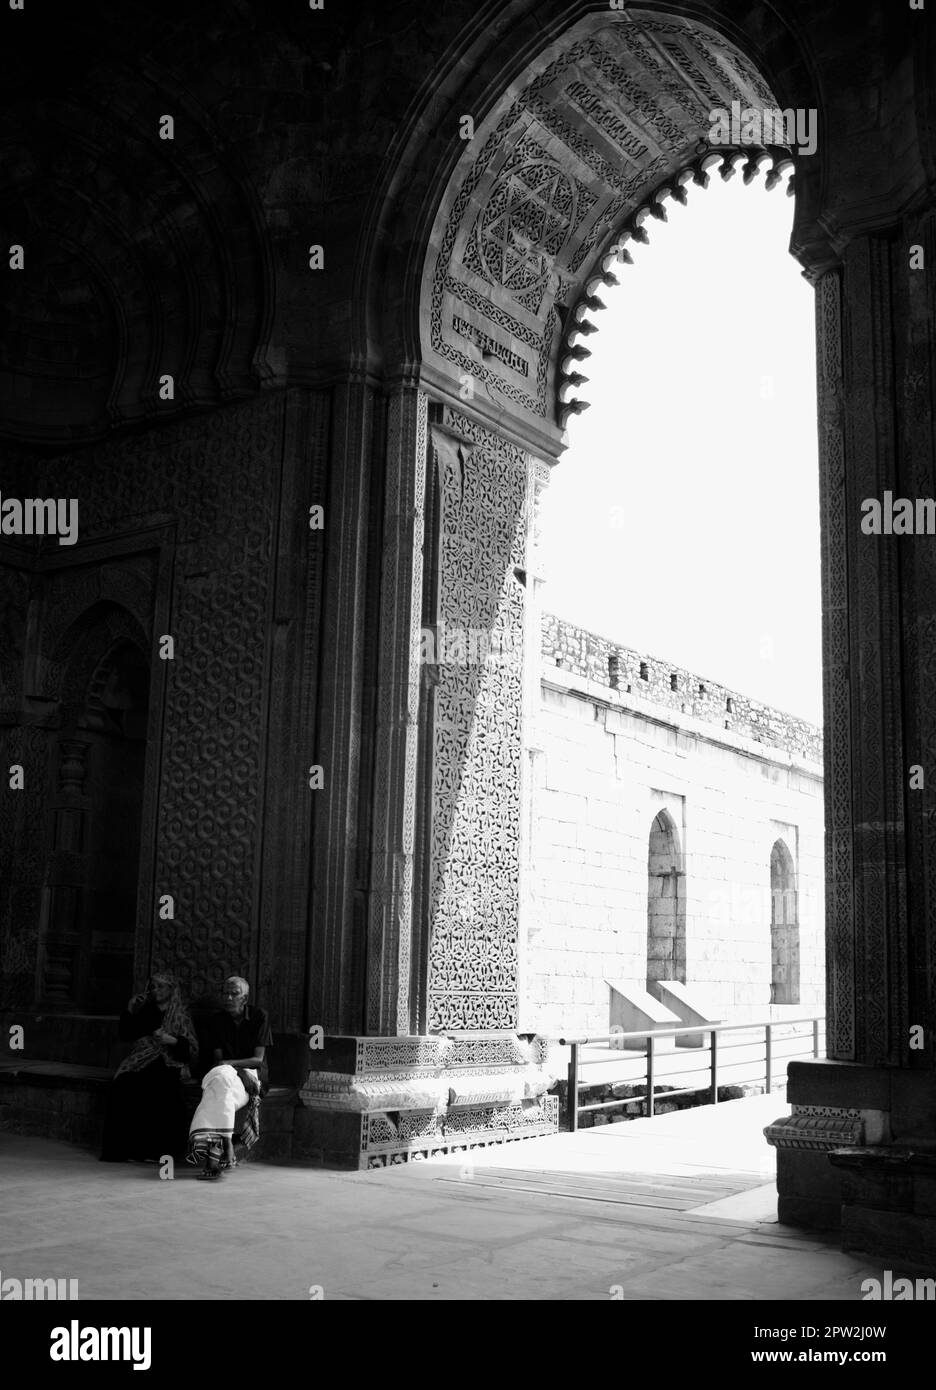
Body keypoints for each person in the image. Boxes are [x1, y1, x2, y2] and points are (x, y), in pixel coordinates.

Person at [100, 972, 198, 1163]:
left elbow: (191, 1049)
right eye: (153, 986)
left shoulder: (180, 1013)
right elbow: (127, 1034)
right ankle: (125, 1150)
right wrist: (130, 1009)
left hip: (169, 1060)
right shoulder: (147, 1010)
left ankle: (155, 1152)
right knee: (123, 1084)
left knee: (160, 1087)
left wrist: (172, 1040)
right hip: (142, 1059)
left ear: (171, 989)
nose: (155, 990)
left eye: (161, 987)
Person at [185, 976, 273, 1180]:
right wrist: (232, 1068)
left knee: (216, 1091)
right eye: (225, 993)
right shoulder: (217, 1020)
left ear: (245, 998)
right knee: (221, 1084)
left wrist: (235, 1068)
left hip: (252, 1075)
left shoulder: (260, 1016)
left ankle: (213, 1155)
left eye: (234, 993)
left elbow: (258, 1060)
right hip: (226, 1074)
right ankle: (225, 1148)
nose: (228, 997)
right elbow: (218, 1060)